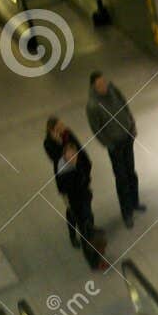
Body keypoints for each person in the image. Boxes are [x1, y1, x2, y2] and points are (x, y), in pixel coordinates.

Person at [86, 71, 146, 228]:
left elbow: (125, 105)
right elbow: (96, 129)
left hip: (127, 137)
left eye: (104, 82)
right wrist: (109, 144)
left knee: (131, 172)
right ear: (93, 87)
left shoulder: (113, 90)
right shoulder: (93, 106)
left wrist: (132, 124)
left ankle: (135, 202)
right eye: (99, 85)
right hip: (115, 144)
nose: (104, 86)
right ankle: (127, 213)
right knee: (121, 178)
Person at [56, 142, 106, 272]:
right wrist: (69, 204)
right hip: (77, 205)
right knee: (86, 233)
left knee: (89, 228)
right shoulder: (64, 171)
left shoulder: (77, 165)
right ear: (64, 156)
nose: (73, 158)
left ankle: (96, 257)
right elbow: (63, 190)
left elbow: (85, 178)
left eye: (75, 155)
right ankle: (94, 262)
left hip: (84, 200)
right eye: (70, 155)